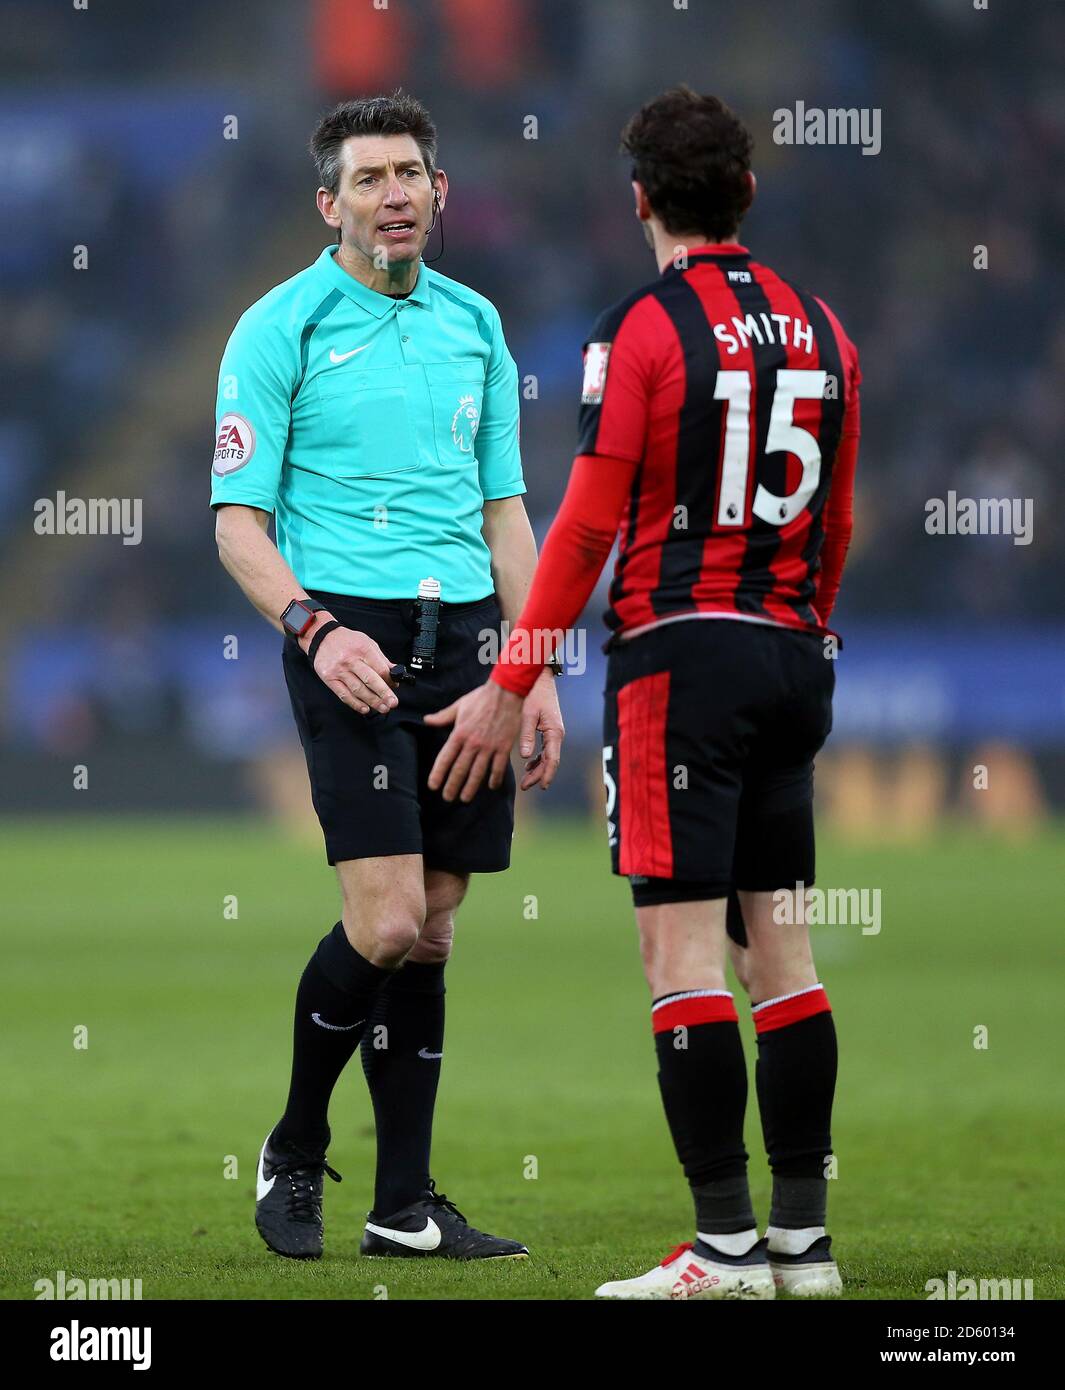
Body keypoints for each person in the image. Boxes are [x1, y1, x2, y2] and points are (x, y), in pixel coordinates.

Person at [425, 86, 860, 1299]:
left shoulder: (644, 330)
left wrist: (514, 679)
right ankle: (805, 1248)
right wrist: (806, 632)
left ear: (639, 202)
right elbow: (840, 516)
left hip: (682, 658)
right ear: (749, 193)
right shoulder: (826, 326)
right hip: (791, 651)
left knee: (680, 956)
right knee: (783, 948)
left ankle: (723, 1249)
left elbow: (586, 525)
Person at [211, 91, 564, 1263]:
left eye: (410, 172)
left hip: (467, 643)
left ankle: (403, 1204)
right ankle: (296, 1144)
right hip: (347, 640)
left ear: (441, 190)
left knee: (437, 929)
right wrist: (316, 629)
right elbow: (238, 527)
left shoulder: (477, 324)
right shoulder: (278, 328)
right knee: (392, 913)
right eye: (369, 179)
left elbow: (508, 511)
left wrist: (537, 665)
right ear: (331, 205)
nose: (395, 193)